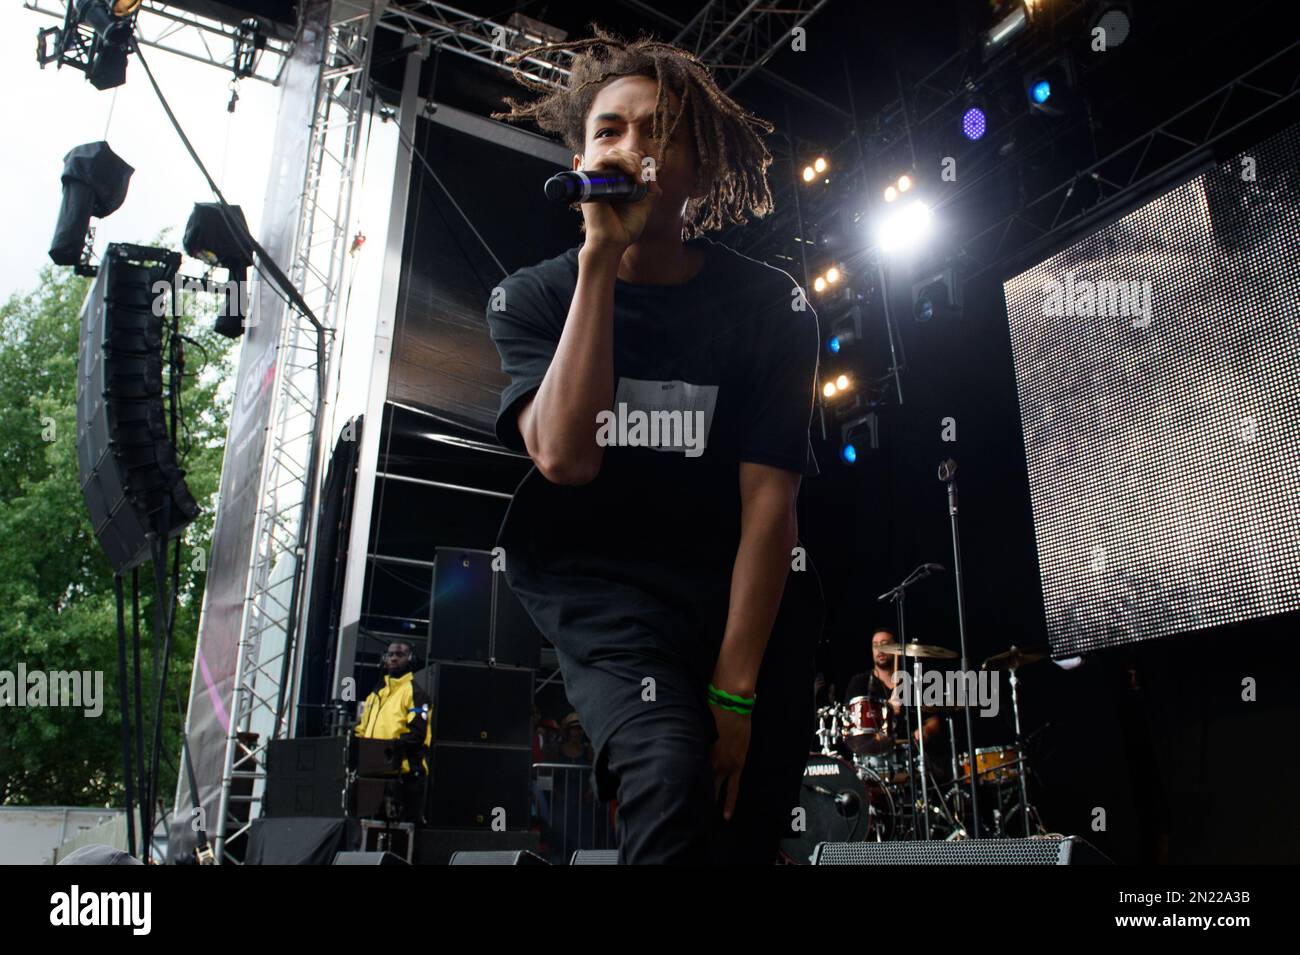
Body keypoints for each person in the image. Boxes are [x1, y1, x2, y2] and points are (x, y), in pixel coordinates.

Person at [487, 27, 822, 864]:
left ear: (701, 171)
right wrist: (601, 257)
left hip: (732, 593)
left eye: (660, 131)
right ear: (581, 157)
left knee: (742, 821)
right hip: (604, 594)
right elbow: (567, 458)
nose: (632, 148)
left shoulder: (768, 308)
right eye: (610, 130)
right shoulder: (531, 298)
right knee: (671, 772)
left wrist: (735, 695)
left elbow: (769, 506)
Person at [354, 640, 432, 822]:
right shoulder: (374, 695)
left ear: (410, 659)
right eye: (391, 655)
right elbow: (361, 729)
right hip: (373, 775)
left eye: (400, 655)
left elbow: (417, 735)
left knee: (401, 833)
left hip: (404, 776)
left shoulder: (416, 694)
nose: (394, 658)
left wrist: (387, 751)